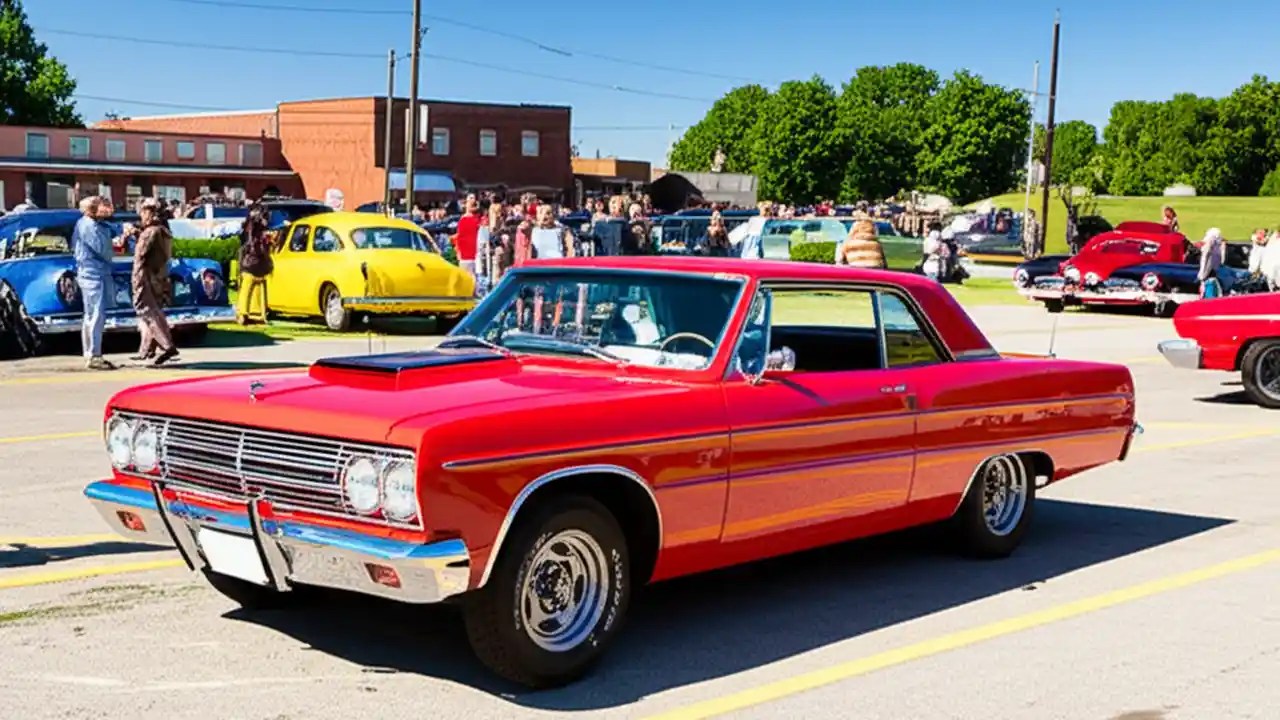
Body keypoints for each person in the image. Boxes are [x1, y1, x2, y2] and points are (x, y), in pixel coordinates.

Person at [72, 195, 118, 370]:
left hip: (92, 273)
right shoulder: (89, 226)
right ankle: (94, 355)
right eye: (101, 206)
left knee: (90, 314)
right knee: (96, 314)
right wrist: (116, 243)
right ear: (93, 209)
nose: (105, 209)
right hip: (93, 274)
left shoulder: (91, 224)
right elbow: (103, 249)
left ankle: (90, 352)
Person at [131, 198, 179, 366]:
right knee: (153, 310)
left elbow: (141, 256)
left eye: (144, 211)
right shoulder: (163, 231)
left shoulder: (151, 232)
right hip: (159, 276)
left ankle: (166, 345)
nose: (141, 215)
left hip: (146, 276)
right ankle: (147, 349)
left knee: (146, 310)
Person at [236, 202, 273, 325]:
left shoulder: (249, 226)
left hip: (250, 260)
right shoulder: (255, 227)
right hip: (253, 261)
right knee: (250, 286)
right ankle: (247, 313)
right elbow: (254, 244)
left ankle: (248, 313)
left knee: (248, 288)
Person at [454, 193, 482, 279]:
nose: (472, 201)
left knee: (473, 277)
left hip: (475, 253)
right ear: (466, 203)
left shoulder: (478, 219)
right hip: (464, 254)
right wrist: (458, 251)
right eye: (470, 199)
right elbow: (459, 237)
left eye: (474, 199)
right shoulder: (462, 219)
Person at [1198, 228, 1226, 298]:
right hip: (1210, 277)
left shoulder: (1211, 249)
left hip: (1208, 278)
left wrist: (1201, 276)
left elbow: (1206, 263)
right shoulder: (1217, 248)